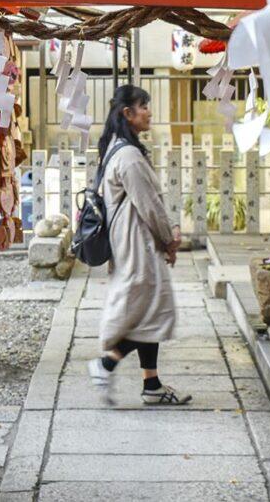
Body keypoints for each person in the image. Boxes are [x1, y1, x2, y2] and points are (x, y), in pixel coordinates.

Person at [86, 85, 192, 406]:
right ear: (126, 114)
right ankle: (106, 364)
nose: (149, 111)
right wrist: (169, 239)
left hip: (132, 242)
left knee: (150, 311)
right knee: (149, 314)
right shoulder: (129, 156)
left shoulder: (118, 150)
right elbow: (149, 206)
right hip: (138, 244)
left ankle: (152, 385)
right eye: (142, 106)